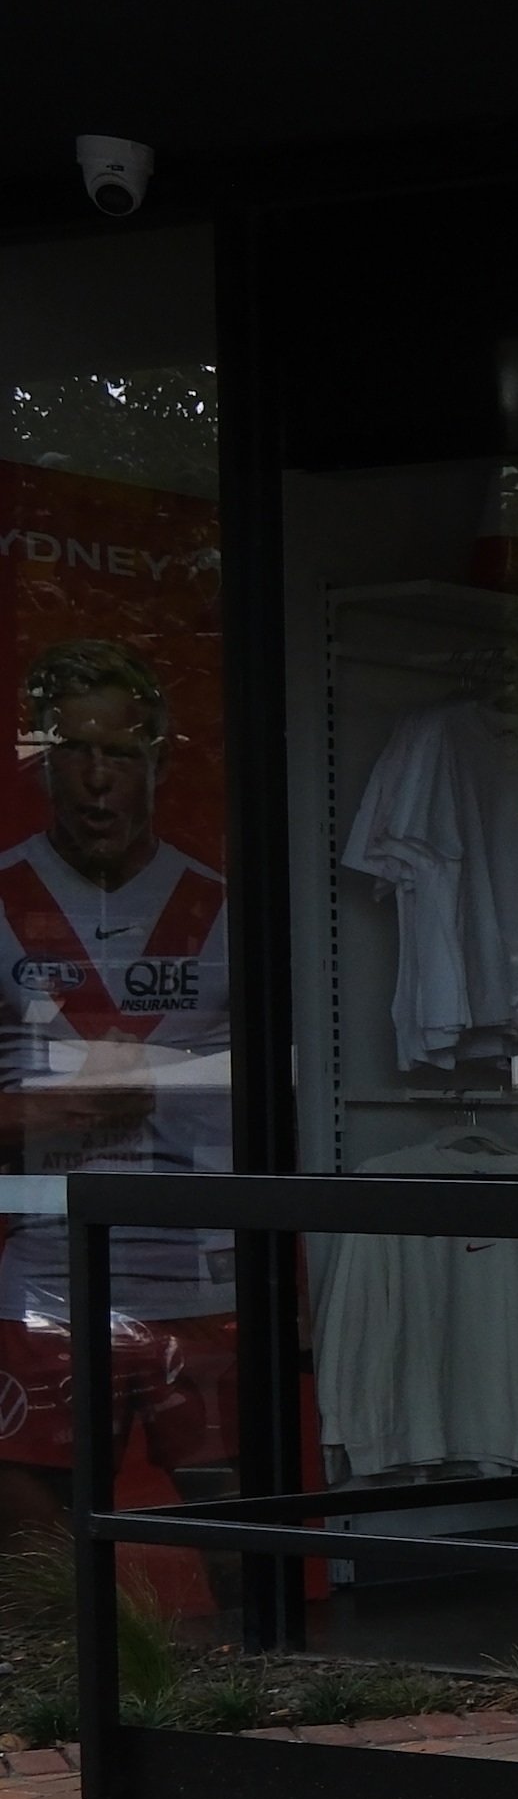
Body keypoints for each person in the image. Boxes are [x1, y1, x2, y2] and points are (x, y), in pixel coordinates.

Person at [0, 639, 236, 1548]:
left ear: (159, 765)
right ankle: (81, 1687)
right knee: (32, 1538)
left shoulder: (224, 909)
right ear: (42, 761)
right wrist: (42, 1110)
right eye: (75, 750)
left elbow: (293, 1088)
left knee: (244, 1532)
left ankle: (247, 1680)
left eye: (123, 754)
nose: (98, 779)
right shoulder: (4, 895)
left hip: (202, 1269)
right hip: (49, 1267)